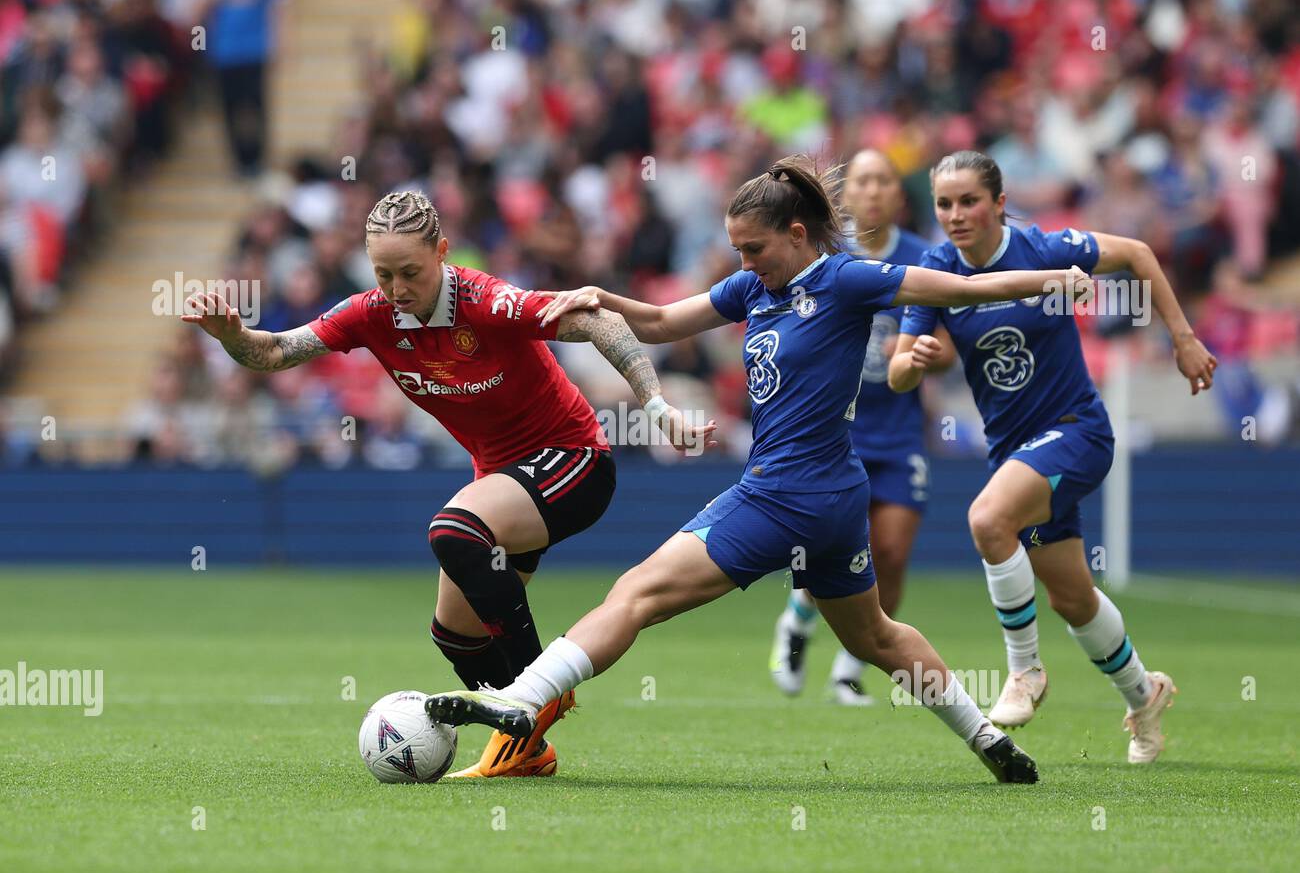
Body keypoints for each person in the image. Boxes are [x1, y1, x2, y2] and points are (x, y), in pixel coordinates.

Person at [425, 154, 1100, 785]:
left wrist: (1050, 280)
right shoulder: (755, 287)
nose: (746, 263)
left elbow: (955, 288)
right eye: (739, 250)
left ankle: (522, 696)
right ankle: (988, 740)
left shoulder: (846, 278)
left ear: (798, 234)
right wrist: (605, 298)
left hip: (785, 494)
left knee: (636, 594)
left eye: (755, 249)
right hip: (835, 497)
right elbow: (662, 321)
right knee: (875, 636)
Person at [182, 190, 714, 778]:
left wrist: (655, 403)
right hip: (504, 483)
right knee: (455, 633)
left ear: (442, 252)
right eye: (382, 273)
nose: (396, 287)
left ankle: (541, 689)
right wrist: (231, 335)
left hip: (574, 462)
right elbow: (277, 350)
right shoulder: (370, 314)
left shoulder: (486, 301)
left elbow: (599, 319)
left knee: (454, 530)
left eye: (410, 272)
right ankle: (527, 754)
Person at [888, 150, 1218, 763]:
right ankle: (1144, 696)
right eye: (944, 204)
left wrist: (1183, 337)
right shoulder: (933, 270)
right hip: (1014, 452)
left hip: (1077, 431)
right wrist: (918, 362)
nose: (956, 215)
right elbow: (898, 373)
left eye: (969, 201)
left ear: (1000, 203)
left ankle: (1025, 672)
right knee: (1074, 598)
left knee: (988, 520)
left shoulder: (1042, 249)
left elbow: (1139, 254)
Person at [769, 148, 955, 706]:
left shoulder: (927, 258)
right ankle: (798, 620)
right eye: (863, 181)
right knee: (825, 548)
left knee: (891, 552)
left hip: (898, 432)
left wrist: (929, 355)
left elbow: (948, 346)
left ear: (900, 196)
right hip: (831, 432)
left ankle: (851, 666)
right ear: (844, 198)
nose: (873, 191)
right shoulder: (824, 257)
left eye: (885, 182)